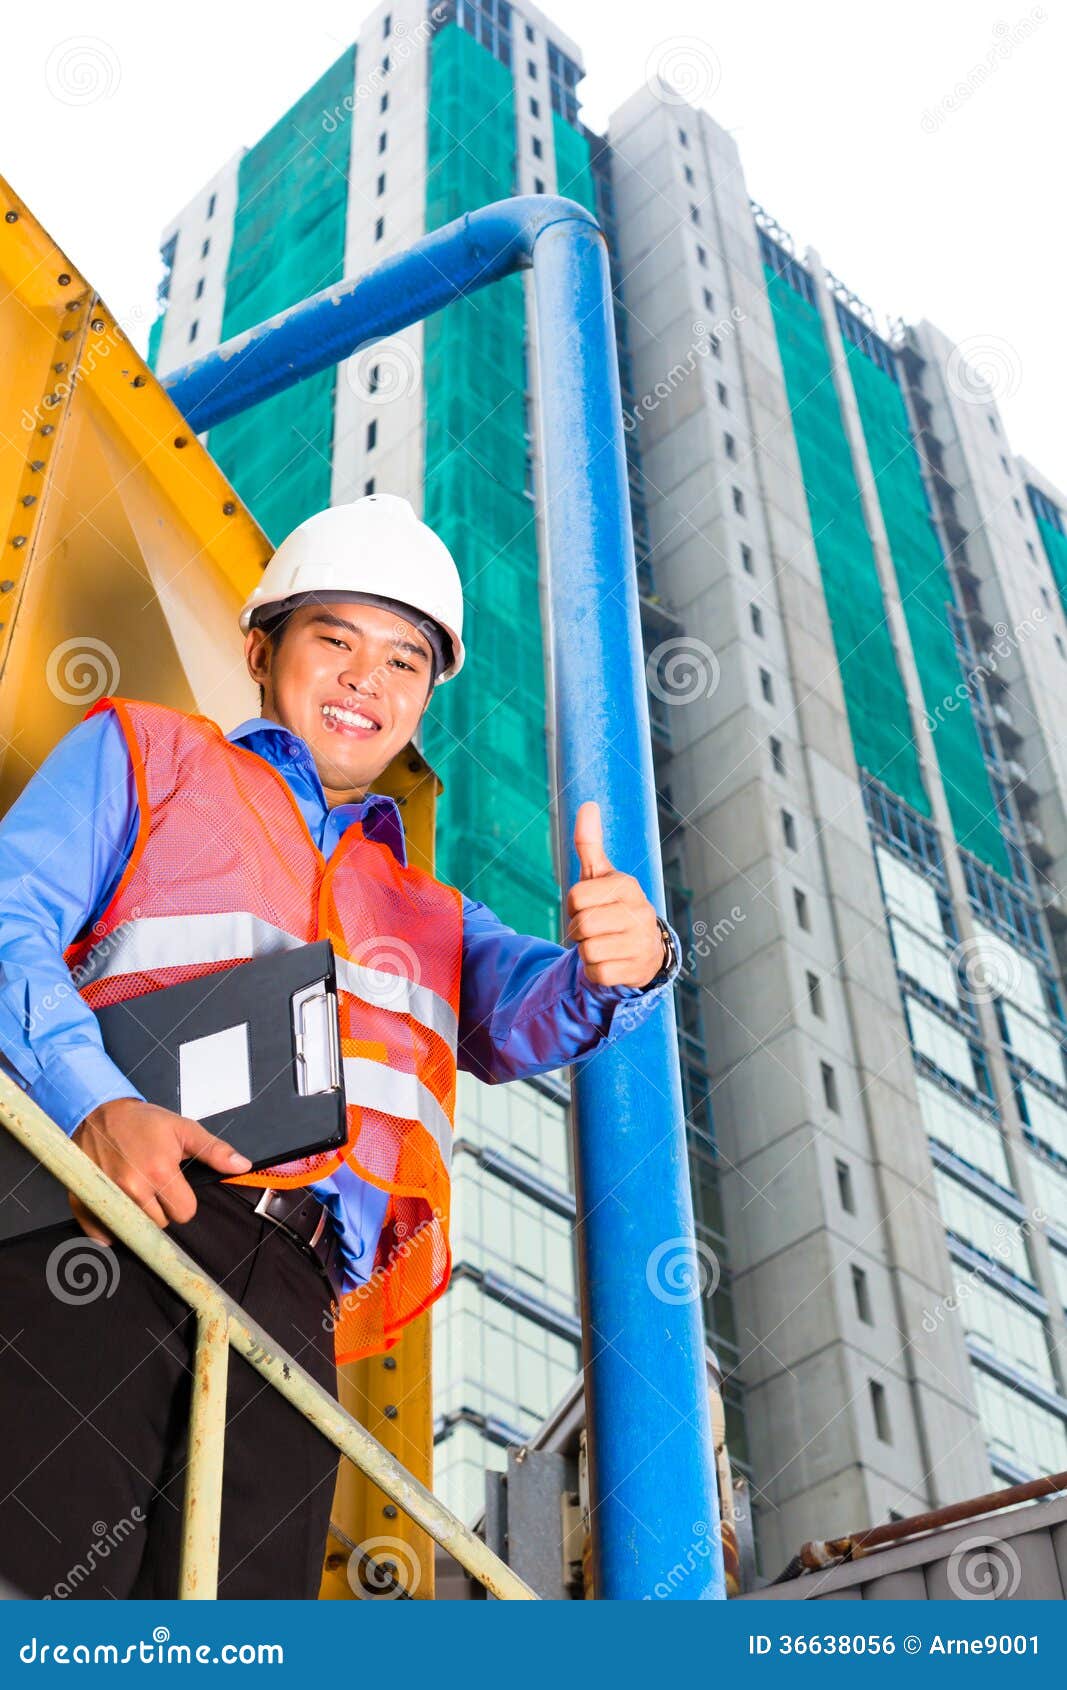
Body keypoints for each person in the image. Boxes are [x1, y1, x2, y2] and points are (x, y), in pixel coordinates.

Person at [0, 494, 681, 1599]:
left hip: (295, 1299)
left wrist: (632, 960)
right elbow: (7, 914)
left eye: (404, 660)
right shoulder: (144, 755)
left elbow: (535, 1009)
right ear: (263, 650)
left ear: (422, 698)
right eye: (336, 640)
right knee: (40, 1579)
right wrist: (89, 1103)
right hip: (107, 1215)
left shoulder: (436, 913)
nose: (368, 678)